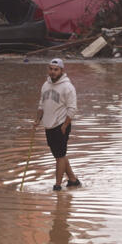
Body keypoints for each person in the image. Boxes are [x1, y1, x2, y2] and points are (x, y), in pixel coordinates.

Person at [34, 58, 80, 191]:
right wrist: (37, 120)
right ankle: (73, 180)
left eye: (56, 70)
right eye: (51, 69)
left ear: (61, 71)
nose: (52, 72)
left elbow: (73, 109)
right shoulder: (45, 85)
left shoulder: (67, 87)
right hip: (48, 125)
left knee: (59, 156)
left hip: (61, 125)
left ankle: (58, 185)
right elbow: (41, 105)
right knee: (60, 154)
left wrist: (65, 126)